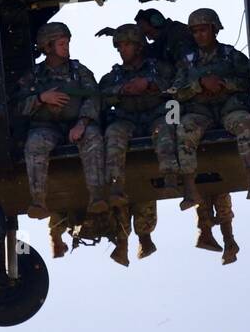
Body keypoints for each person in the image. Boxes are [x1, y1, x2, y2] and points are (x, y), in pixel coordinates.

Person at [162, 7, 250, 266]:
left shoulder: (231, 55)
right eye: (194, 31)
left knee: (246, 126)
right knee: (184, 131)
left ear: (214, 28)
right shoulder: (187, 61)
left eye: (203, 29)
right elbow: (175, 91)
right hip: (200, 113)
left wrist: (224, 84)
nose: (199, 35)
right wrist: (199, 85)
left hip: (230, 109)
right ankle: (190, 191)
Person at [98, 24, 172, 266]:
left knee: (147, 177)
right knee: (114, 136)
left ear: (139, 46)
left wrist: (149, 85)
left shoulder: (157, 68)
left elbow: (174, 83)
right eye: (119, 46)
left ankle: (145, 234)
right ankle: (116, 188)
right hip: (126, 121)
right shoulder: (115, 75)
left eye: (127, 45)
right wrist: (122, 90)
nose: (122, 50)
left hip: (154, 118)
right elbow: (101, 94)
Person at [15, 22, 104, 220]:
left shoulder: (78, 71)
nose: (67, 48)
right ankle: (38, 201)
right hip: (45, 127)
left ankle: (97, 196)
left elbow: (93, 97)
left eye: (67, 43)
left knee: (93, 138)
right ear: (48, 47)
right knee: (35, 144)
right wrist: (41, 99)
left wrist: (82, 123)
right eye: (62, 44)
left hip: (77, 124)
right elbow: (18, 107)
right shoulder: (34, 76)